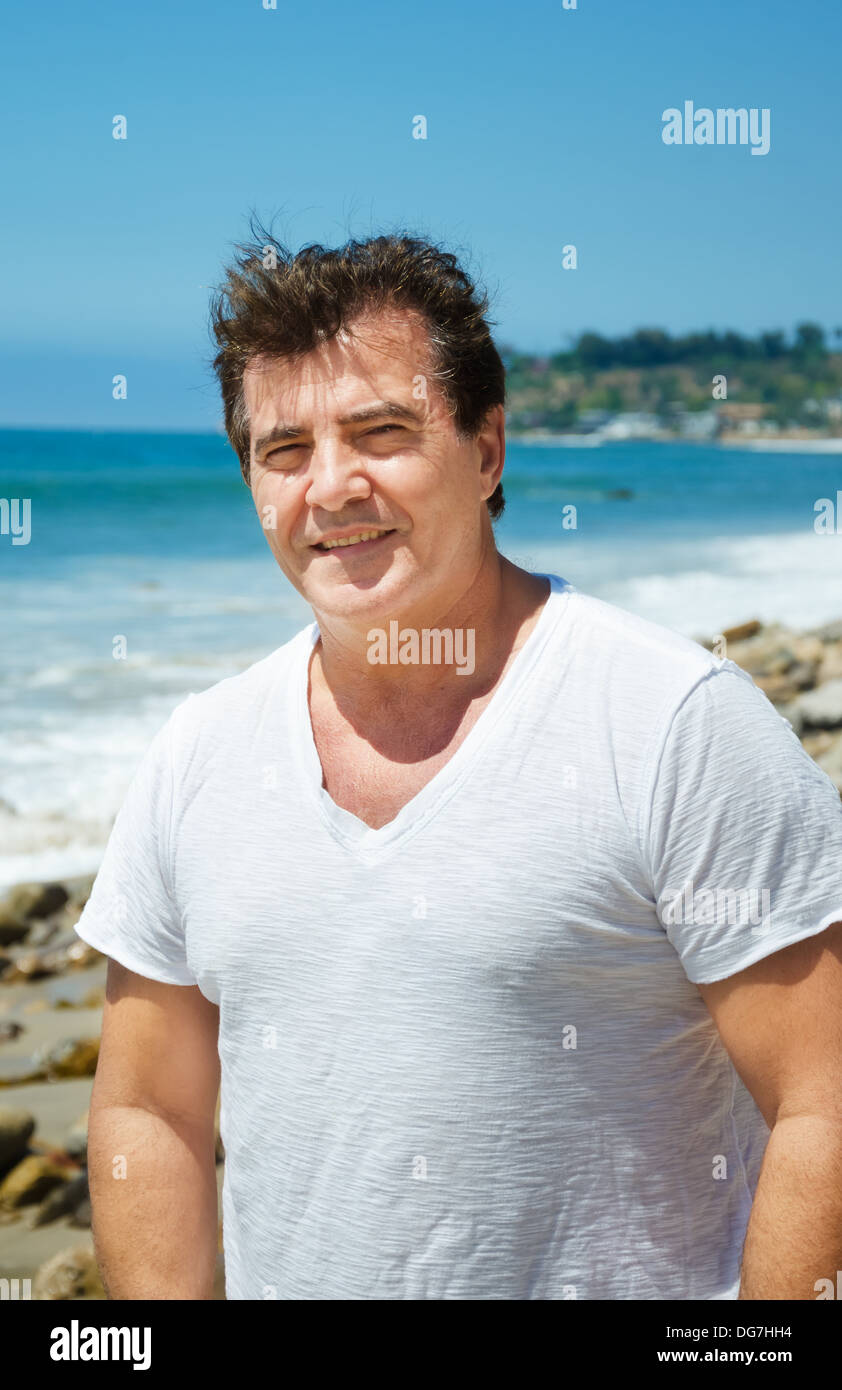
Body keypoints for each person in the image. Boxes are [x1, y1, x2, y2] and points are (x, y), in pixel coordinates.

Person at [74, 231, 842, 1300]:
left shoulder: (669, 722)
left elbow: (822, 1099)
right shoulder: (199, 754)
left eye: (380, 432)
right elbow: (147, 1108)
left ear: (485, 452)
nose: (331, 486)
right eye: (284, 450)